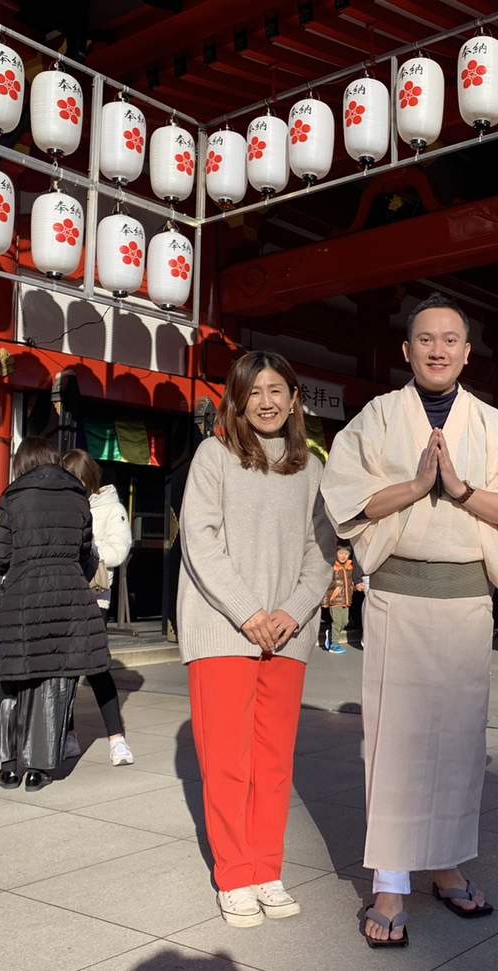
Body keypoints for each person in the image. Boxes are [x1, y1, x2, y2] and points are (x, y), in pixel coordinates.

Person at [321, 293, 498, 948]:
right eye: (425, 339)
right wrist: (417, 487)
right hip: (395, 599)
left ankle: (443, 861)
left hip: (467, 601)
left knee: (457, 739)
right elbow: (342, 501)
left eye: (450, 339)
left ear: (467, 352)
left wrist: (461, 490)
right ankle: (390, 878)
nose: (437, 349)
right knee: (393, 740)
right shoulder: (373, 419)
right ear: (406, 350)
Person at [177, 351, 334, 930]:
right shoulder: (214, 457)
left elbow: (322, 553)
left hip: (287, 635)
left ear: (295, 398)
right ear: (237, 401)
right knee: (227, 761)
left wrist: (290, 613)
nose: (266, 402)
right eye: (254, 392)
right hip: (223, 630)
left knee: (273, 763)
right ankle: (235, 874)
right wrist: (248, 614)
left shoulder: (311, 469)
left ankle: (268, 868)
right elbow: (201, 540)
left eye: (277, 390)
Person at [0, 437, 110, 791]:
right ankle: (40, 770)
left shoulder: (13, 497)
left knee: (11, 678)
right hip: (68, 596)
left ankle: (10, 767)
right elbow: (85, 551)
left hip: (21, 596)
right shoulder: (78, 496)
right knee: (54, 680)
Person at [60, 449, 136, 766]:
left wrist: (85, 545)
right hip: (64, 594)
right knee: (64, 671)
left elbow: (119, 551)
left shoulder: (110, 507)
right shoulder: (64, 503)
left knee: (96, 667)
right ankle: (68, 735)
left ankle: (117, 739)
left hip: (94, 598)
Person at [321, 543, 362, 654]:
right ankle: (334, 644)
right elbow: (326, 585)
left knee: (345, 621)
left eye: (346, 553)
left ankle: (330, 634)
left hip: (346, 600)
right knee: (337, 622)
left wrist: (355, 588)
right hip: (335, 600)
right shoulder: (333, 567)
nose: (343, 556)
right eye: (340, 553)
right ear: (336, 554)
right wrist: (325, 601)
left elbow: (348, 584)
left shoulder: (349, 567)